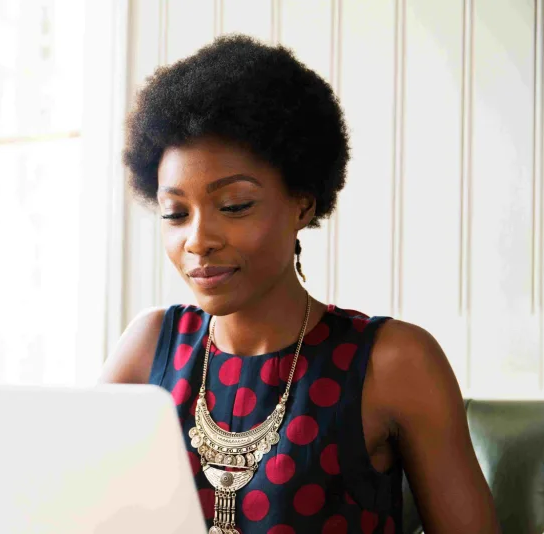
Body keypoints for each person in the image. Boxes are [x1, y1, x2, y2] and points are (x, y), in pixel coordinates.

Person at [101, 35, 499, 533]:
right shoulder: (149, 348)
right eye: (175, 213)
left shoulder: (394, 362)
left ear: (302, 204)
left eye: (235, 206)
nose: (197, 240)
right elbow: (70, 505)